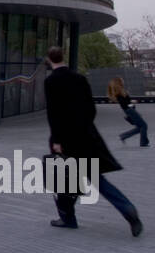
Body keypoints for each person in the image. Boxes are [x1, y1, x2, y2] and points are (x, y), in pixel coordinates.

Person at [44, 47, 143, 237]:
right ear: (63, 56)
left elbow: (54, 113)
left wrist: (57, 140)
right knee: (98, 180)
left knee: (65, 182)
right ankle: (128, 210)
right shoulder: (80, 78)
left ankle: (68, 219)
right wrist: (84, 127)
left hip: (65, 139)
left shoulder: (51, 81)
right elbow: (91, 109)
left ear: (49, 60)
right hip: (87, 136)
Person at [109, 77, 149, 147]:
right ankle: (143, 143)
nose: (123, 81)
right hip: (130, 110)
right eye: (122, 80)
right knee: (144, 125)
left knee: (140, 127)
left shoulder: (121, 91)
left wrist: (131, 102)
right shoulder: (118, 93)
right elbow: (124, 104)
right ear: (119, 82)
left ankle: (123, 136)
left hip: (130, 110)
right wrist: (131, 103)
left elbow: (126, 102)